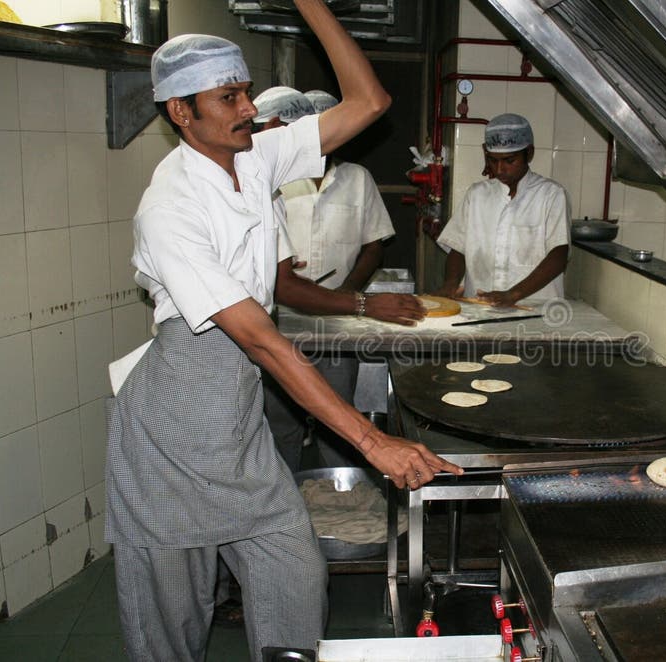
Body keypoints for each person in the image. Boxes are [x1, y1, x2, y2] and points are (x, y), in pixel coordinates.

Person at [103, 2, 462, 660]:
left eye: (244, 92)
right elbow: (263, 340)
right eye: (228, 96)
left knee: (295, 576)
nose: (247, 109)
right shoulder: (171, 207)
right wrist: (370, 441)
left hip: (236, 433)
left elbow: (369, 100)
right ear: (182, 112)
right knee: (172, 625)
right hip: (170, 443)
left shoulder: (256, 157)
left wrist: (310, 5)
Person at [249, 85, 422, 471]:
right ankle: (288, 500)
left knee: (339, 417)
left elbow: (374, 244)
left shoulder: (355, 178)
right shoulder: (273, 182)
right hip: (282, 322)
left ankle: (341, 497)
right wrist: (275, 270)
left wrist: (349, 293)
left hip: (336, 319)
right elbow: (279, 280)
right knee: (281, 422)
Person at [434, 113, 571, 307]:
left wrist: (513, 294)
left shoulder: (551, 195)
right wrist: (450, 283)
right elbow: (458, 248)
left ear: (529, 153)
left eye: (509, 160)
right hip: (479, 308)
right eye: (493, 160)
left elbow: (558, 256)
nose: (499, 169)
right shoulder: (476, 195)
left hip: (534, 310)